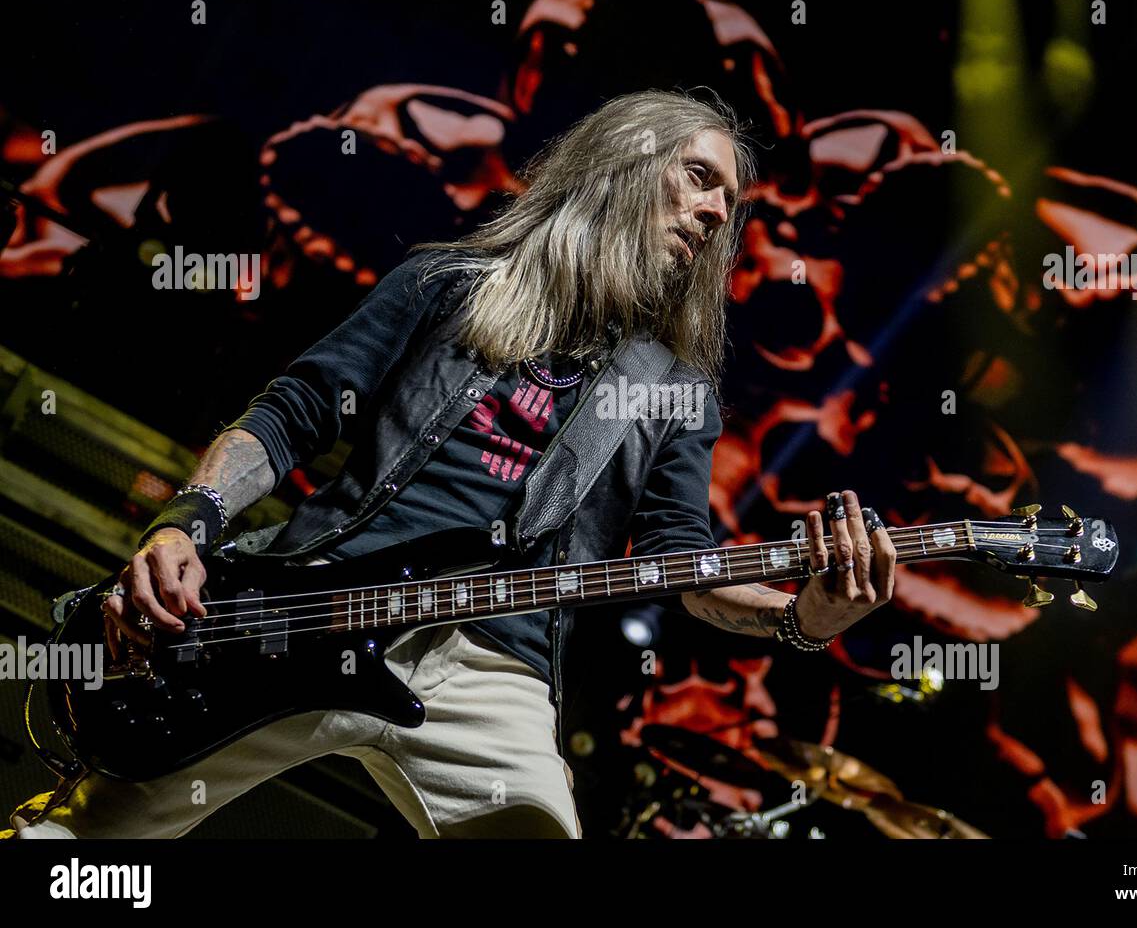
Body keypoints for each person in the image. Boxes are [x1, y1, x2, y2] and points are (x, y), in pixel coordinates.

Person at [11, 90, 895, 839]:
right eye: (700, 178)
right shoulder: (449, 284)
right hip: (317, 604)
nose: (715, 214)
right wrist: (186, 524)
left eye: (729, 205)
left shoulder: (674, 390)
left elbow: (685, 562)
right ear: (622, 165)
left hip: (496, 668)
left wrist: (803, 619)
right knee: (86, 845)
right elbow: (294, 414)